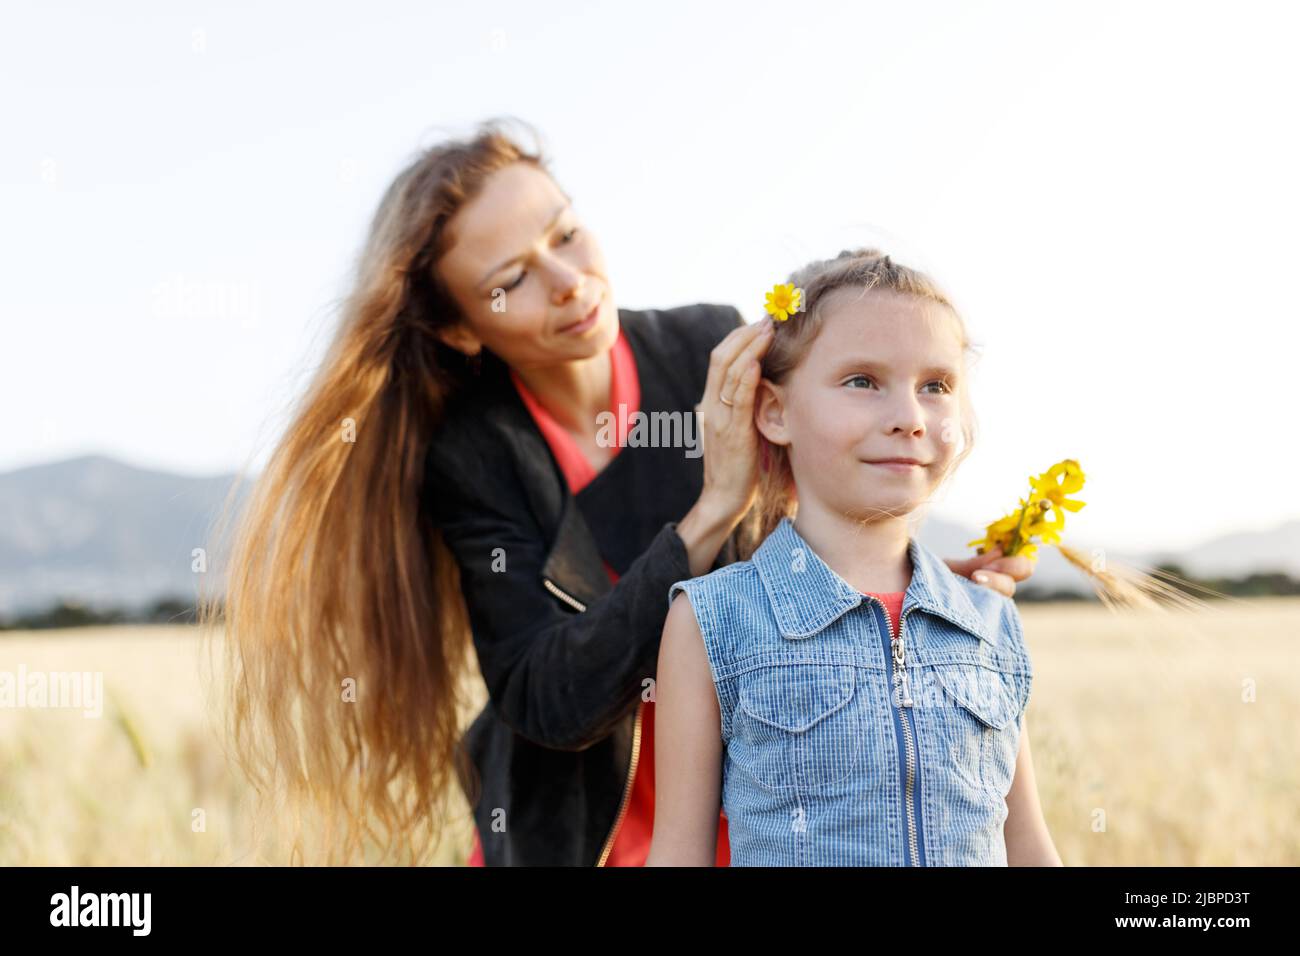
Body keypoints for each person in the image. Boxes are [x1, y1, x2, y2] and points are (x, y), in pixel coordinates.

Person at [214, 119, 1036, 867]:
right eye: (513, 279)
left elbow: (811, 527)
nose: (569, 281)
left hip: (748, 805)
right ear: (458, 326)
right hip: (579, 833)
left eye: (566, 234)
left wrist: (913, 596)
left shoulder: (706, 346)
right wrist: (710, 511)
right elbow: (546, 699)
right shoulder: (472, 454)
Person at [649, 249, 1063, 866]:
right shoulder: (713, 620)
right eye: (863, 381)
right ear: (774, 411)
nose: (908, 418)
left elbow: (1027, 845)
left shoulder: (988, 621)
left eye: (936, 386)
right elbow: (678, 855)